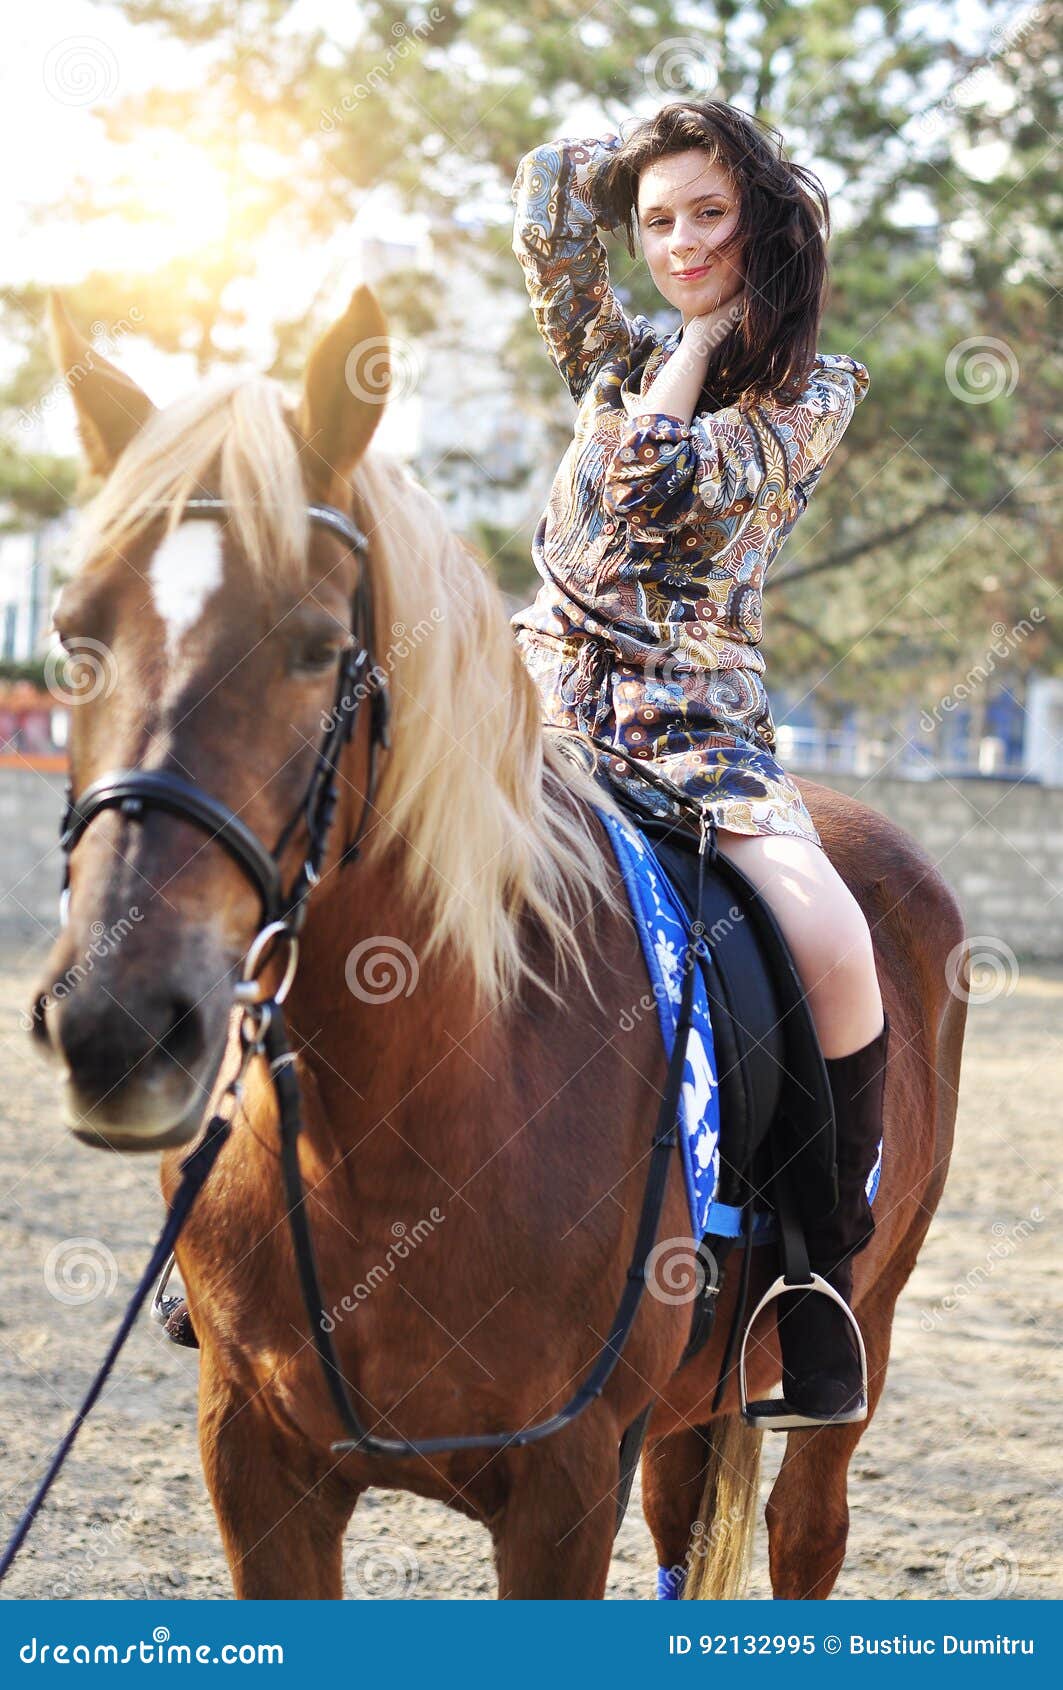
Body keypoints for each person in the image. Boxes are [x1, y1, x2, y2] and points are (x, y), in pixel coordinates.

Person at [509, 99, 889, 1428]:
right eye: (656, 219)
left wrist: (710, 343)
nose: (674, 242)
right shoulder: (614, 358)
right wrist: (619, 134)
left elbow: (657, 477)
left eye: (706, 215)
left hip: (697, 736)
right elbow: (554, 229)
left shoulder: (813, 392)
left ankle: (816, 1274)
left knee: (835, 942)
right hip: (535, 708)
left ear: (763, 224)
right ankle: (236, 1203)